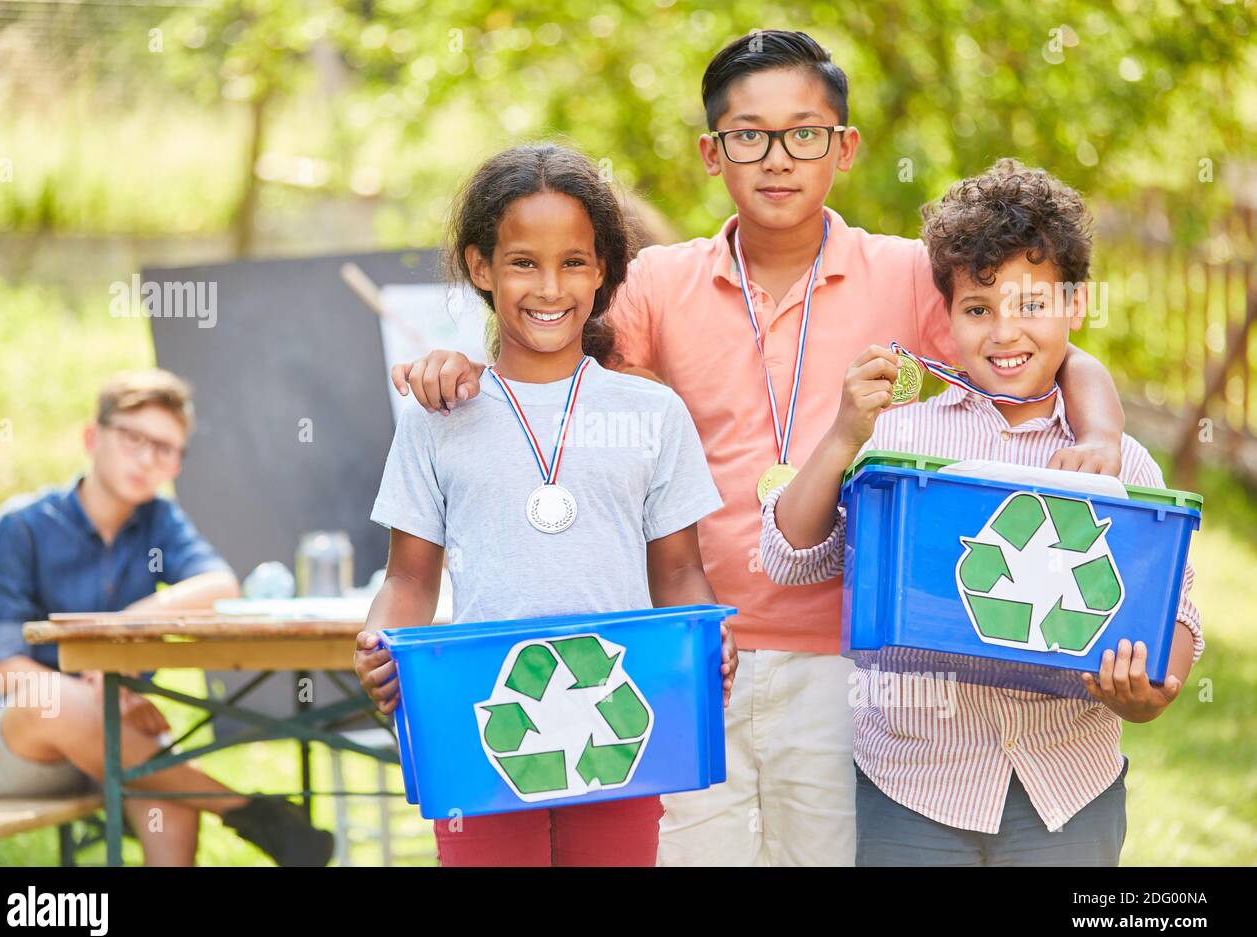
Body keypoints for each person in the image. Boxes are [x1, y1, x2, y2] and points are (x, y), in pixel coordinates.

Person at [383, 31, 1129, 866]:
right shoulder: (661, 281)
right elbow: (550, 365)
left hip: (849, 659)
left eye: (804, 133)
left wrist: (1100, 434)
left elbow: (1048, 348)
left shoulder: (909, 274)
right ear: (712, 152)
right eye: (749, 135)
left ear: (843, 148)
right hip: (694, 651)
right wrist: (460, 366)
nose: (778, 159)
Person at [761, 158, 1203, 866]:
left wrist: (1149, 695)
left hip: (1070, 787)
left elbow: (1176, 614)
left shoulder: (1119, 464)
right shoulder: (903, 438)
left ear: (1076, 307)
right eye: (979, 308)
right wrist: (846, 432)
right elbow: (791, 555)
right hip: (914, 785)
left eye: (1033, 305)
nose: (1005, 333)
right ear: (949, 315)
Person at [352, 143, 736, 867]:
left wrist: (705, 638)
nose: (549, 286)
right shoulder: (439, 417)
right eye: (524, 261)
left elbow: (679, 572)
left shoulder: (652, 413)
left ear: (603, 271)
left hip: (619, 725)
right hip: (484, 728)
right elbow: (408, 579)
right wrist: (377, 645)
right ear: (480, 268)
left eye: (573, 262)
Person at [0, 368, 335, 866]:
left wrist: (118, 636)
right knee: (55, 700)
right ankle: (247, 810)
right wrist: (103, 699)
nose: (146, 458)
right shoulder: (24, 526)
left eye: (165, 449)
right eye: (133, 438)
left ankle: (248, 816)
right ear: (93, 437)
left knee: (168, 799)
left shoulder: (159, 521)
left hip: (122, 740)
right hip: (26, 747)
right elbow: (5, 672)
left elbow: (219, 585)